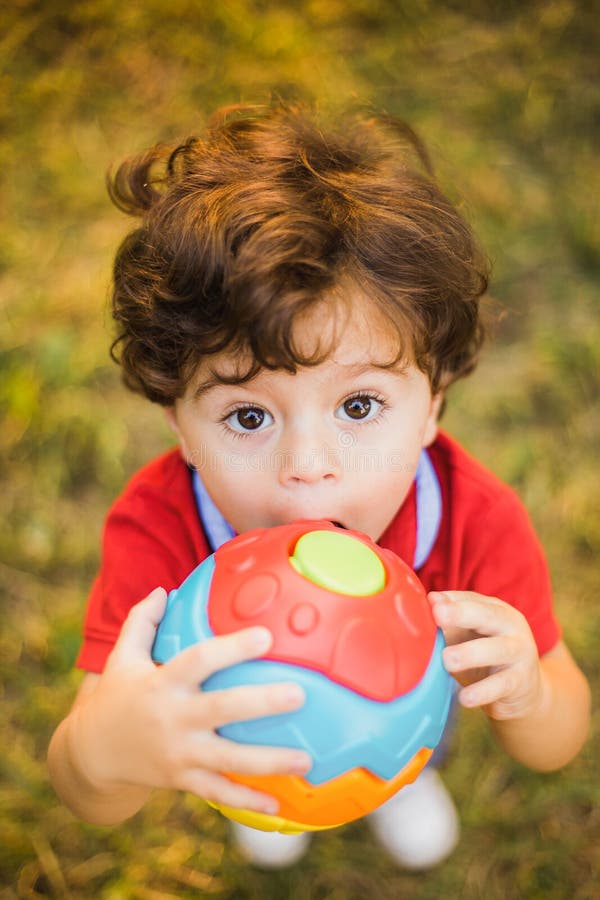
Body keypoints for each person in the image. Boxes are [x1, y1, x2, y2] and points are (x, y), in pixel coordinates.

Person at [47, 101, 591, 871]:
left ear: (432, 403)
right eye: (246, 416)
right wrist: (106, 751)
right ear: (179, 425)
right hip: (244, 750)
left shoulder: (472, 518)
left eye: (359, 406)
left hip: (404, 733)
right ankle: (271, 804)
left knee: (406, 748)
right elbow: (86, 792)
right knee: (263, 804)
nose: (308, 465)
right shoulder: (157, 528)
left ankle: (398, 782)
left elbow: (558, 741)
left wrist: (529, 695)